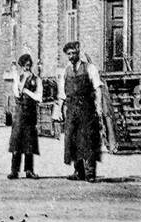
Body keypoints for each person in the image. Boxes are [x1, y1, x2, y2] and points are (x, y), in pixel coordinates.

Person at [54, 41, 103, 182]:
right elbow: (62, 94)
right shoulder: (66, 71)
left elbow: (97, 88)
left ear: (78, 52)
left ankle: (90, 173)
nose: (71, 56)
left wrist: (99, 106)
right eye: (68, 54)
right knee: (72, 139)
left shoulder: (90, 68)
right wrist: (59, 110)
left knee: (87, 140)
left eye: (73, 53)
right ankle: (78, 171)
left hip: (86, 108)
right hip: (71, 108)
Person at [8, 53, 42, 180]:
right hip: (19, 113)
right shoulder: (19, 78)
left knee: (29, 142)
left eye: (28, 66)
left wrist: (27, 91)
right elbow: (17, 94)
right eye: (24, 66)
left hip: (30, 113)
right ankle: (14, 171)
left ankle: (29, 170)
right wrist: (18, 80)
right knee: (16, 141)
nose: (26, 68)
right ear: (21, 66)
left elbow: (39, 97)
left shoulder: (37, 79)